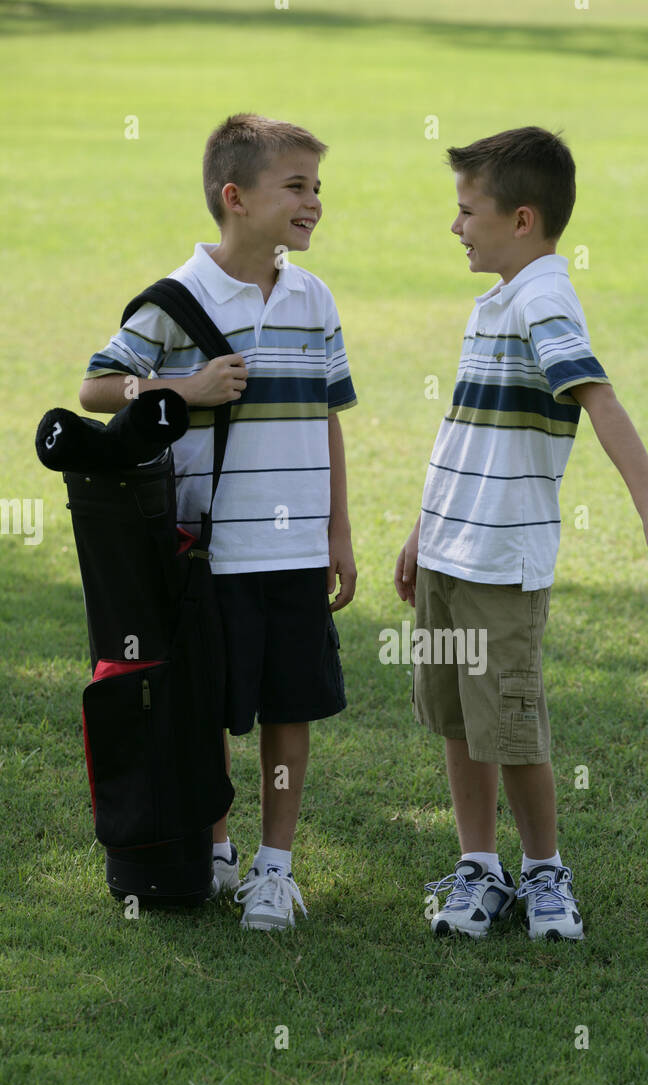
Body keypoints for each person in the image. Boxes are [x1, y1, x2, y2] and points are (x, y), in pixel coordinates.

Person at [394, 126, 648, 943]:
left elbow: (594, 394)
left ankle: (544, 873)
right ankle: (478, 867)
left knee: (514, 730)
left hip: (501, 564)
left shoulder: (543, 298)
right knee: (461, 720)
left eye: (468, 212)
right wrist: (425, 531)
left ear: (521, 220)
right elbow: (464, 431)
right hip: (453, 553)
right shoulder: (493, 302)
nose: (456, 227)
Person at [80, 112, 357, 931]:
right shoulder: (178, 300)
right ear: (235, 198)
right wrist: (182, 390)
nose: (314, 204)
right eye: (296, 188)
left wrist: (339, 532)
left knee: (289, 707)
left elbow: (329, 416)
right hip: (210, 553)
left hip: (298, 547)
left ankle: (276, 866)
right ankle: (217, 847)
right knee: (205, 711)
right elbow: (99, 389)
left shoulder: (314, 297)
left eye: (318, 188)